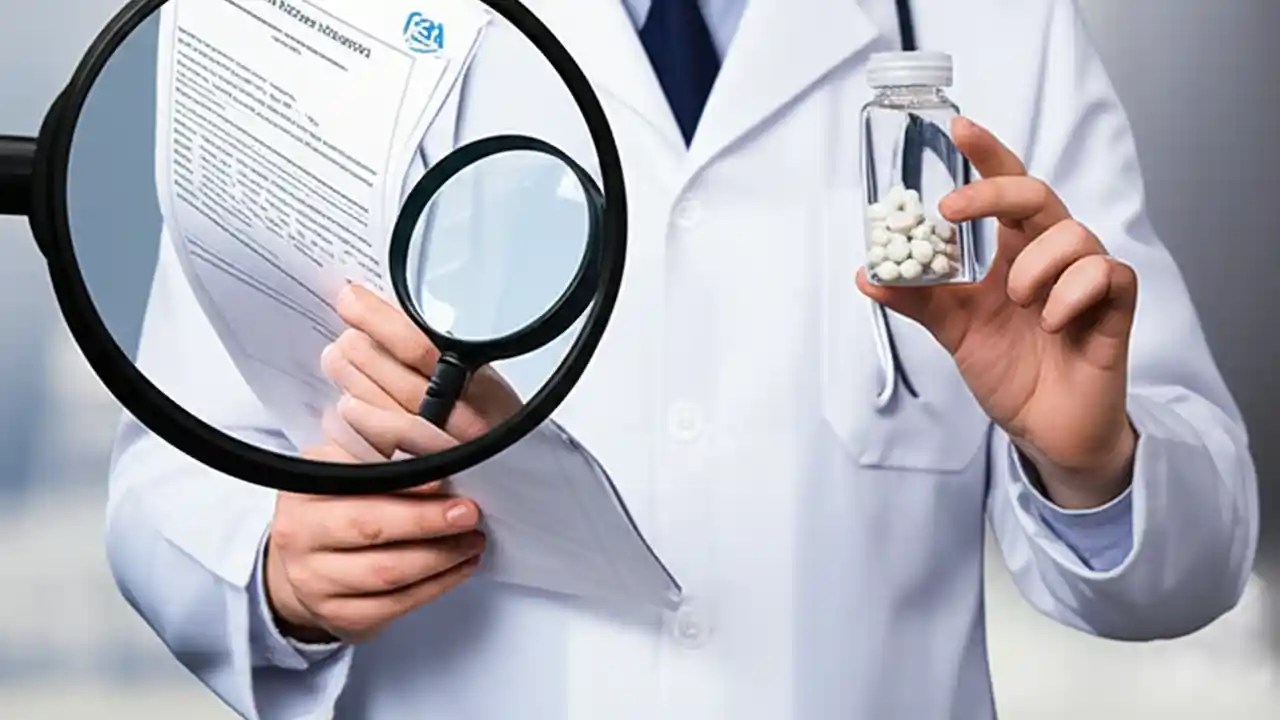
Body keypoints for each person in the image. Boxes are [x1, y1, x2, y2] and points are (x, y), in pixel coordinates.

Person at [106, 0, 1259, 718]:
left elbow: (1192, 557)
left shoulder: (1000, 26)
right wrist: (276, 570)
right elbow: (170, 478)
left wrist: (1096, 464)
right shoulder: (328, 12)